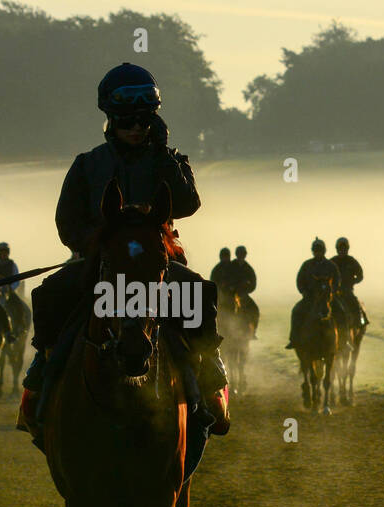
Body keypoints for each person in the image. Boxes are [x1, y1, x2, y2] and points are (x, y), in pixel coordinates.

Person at [21, 62, 228, 435]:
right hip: (102, 266)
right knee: (49, 294)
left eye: (144, 122)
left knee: (200, 291)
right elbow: (67, 222)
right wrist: (100, 247)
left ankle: (211, 379)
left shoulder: (171, 160)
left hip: (155, 265)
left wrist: (164, 157)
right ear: (111, 119)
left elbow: (187, 204)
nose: (136, 128)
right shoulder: (87, 165)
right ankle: (39, 381)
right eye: (128, 121)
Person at [287, 238, 339, 350]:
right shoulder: (306, 265)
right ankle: (294, 339)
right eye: (316, 250)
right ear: (313, 251)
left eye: (320, 250)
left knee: (342, 312)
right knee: (296, 311)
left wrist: (331, 293)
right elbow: (299, 281)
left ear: (324, 251)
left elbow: (337, 280)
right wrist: (304, 292)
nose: (318, 252)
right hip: (310, 298)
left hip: (327, 299)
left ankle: (345, 340)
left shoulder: (331, 266)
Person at [329, 237, 368, 329]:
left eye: (344, 249)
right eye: (340, 249)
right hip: (334, 292)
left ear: (347, 249)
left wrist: (352, 282)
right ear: (337, 249)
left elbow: (360, 276)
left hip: (347, 291)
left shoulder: (352, 261)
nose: (342, 251)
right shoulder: (332, 262)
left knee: (355, 304)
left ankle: (360, 323)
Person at [227, 245, 259, 338]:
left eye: (243, 254)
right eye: (240, 253)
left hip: (243, 295)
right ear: (237, 254)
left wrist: (247, 289)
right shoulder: (230, 266)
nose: (241, 255)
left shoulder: (248, 268)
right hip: (230, 295)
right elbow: (225, 278)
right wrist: (231, 287)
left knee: (255, 310)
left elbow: (253, 283)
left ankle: (253, 332)